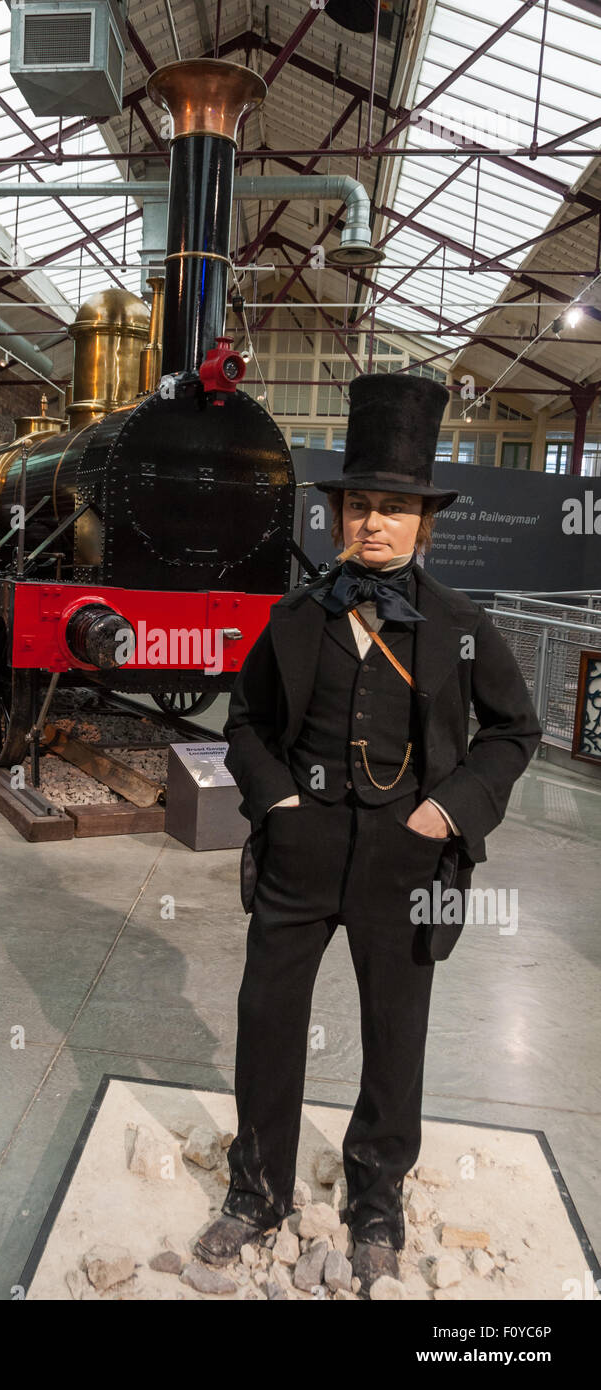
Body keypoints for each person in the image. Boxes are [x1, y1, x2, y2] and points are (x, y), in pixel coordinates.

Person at [195, 373, 542, 1296]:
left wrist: (452, 809)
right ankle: (257, 1187)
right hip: (299, 856)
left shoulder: (462, 628)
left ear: (421, 523)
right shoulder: (292, 617)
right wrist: (273, 802)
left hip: (409, 859)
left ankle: (376, 1199)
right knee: (266, 1020)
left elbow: (516, 732)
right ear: (338, 513)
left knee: (396, 1032)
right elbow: (246, 725)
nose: (373, 523)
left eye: (393, 508)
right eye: (359, 505)